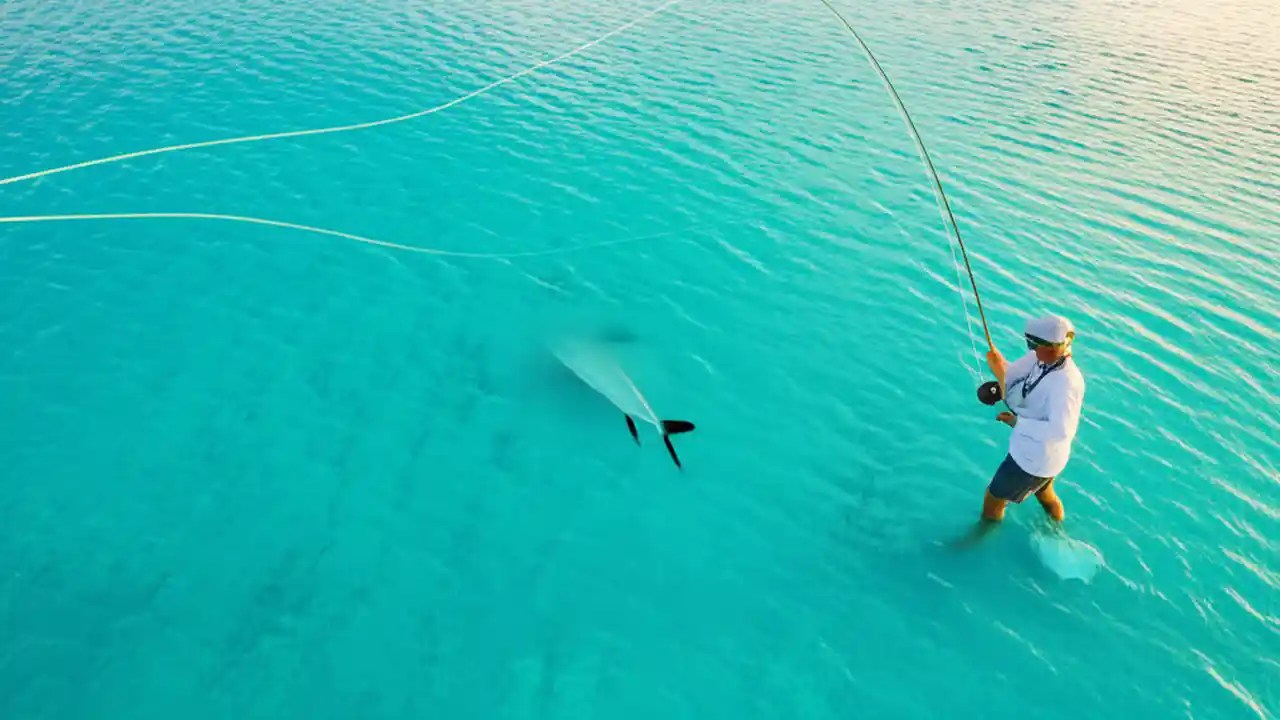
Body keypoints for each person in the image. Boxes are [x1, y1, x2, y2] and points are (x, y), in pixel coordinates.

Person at [981, 315, 1086, 523]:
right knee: (1044, 493)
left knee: (994, 500)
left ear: (1052, 347)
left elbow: (1061, 431)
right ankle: (1057, 526)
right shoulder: (1041, 359)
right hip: (1047, 461)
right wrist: (997, 361)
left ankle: (981, 537)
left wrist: (1017, 423)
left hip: (1031, 460)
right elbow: (1012, 374)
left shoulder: (1068, 384)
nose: (1031, 349)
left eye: (1034, 345)